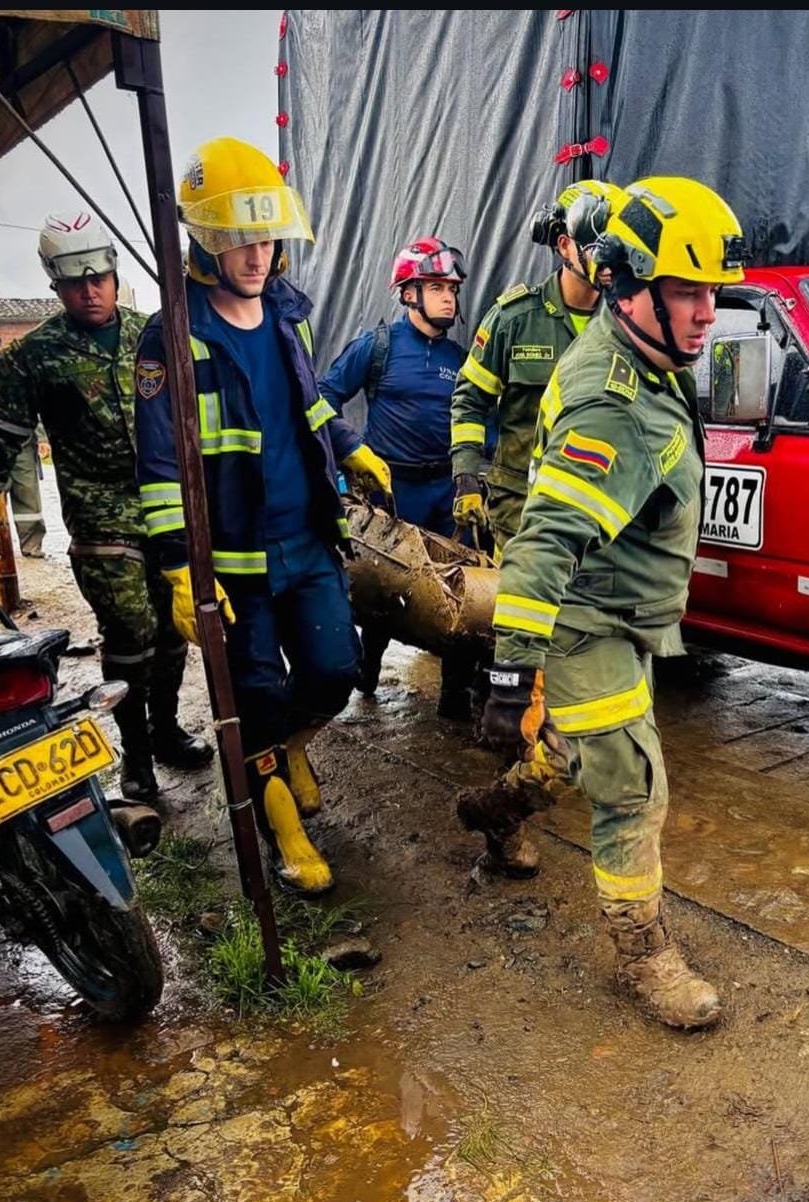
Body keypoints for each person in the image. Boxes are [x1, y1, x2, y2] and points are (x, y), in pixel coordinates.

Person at [476, 177, 747, 1029]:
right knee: (632, 786)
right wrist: (509, 676)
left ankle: (495, 809)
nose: (706, 312)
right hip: (586, 620)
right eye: (685, 292)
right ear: (628, 285)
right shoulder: (612, 402)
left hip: (628, 617)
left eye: (712, 291)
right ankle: (645, 957)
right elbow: (545, 543)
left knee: (574, 753)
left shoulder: (643, 351)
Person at [135, 137, 393, 895]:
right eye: (238, 237)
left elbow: (305, 402)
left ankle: (287, 745)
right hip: (235, 556)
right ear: (204, 241)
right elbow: (157, 462)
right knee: (252, 693)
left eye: (266, 235)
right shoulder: (170, 336)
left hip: (308, 536)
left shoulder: (287, 313)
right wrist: (179, 563)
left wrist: (347, 444)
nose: (257, 253)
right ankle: (283, 826)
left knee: (333, 671)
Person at [0, 213, 211, 801]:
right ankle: (135, 759)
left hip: (165, 512)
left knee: (171, 632)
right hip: (99, 522)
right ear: (54, 286)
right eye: (73, 283)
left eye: (99, 278)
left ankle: (165, 732)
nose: (89, 291)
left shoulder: (155, 333)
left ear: (114, 274)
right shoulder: (31, 357)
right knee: (129, 635)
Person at [319, 238, 474, 717]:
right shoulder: (378, 346)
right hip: (391, 491)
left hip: (445, 491)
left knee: (458, 591)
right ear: (409, 294)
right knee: (388, 590)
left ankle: (453, 698)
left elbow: (481, 418)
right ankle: (368, 670)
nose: (449, 297)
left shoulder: (461, 358)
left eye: (452, 288)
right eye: (436, 287)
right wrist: (350, 450)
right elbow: (323, 397)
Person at [448, 180, 625, 559]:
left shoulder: (630, 323)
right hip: (520, 515)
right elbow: (470, 400)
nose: (608, 259)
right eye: (596, 247)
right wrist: (466, 477)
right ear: (565, 246)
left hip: (600, 516)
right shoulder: (515, 319)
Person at [0, 327, 46, 558]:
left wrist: (42, 438)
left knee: (27, 496)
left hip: (21, 446)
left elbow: (34, 406)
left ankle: (32, 545)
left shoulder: (12, 372)